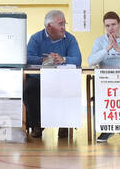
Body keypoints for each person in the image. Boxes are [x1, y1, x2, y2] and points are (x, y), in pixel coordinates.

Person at [24, 10, 82, 139]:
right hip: (39, 78)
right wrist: (43, 60)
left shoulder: (70, 38)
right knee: (29, 89)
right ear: (49, 26)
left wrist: (63, 59)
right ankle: (37, 124)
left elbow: (77, 59)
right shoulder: (36, 38)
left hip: (62, 78)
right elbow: (27, 58)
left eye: (64, 23)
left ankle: (65, 124)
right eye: (60, 24)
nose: (63, 27)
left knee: (70, 88)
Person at [87, 11, 120, 143]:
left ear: (119, 24)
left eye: (113, 24)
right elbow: (91, 61)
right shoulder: (100, 41)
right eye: (107, 25)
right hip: (105, 83)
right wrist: (107, 49)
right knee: (103, 95)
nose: (110, 28)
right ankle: (108, 128)